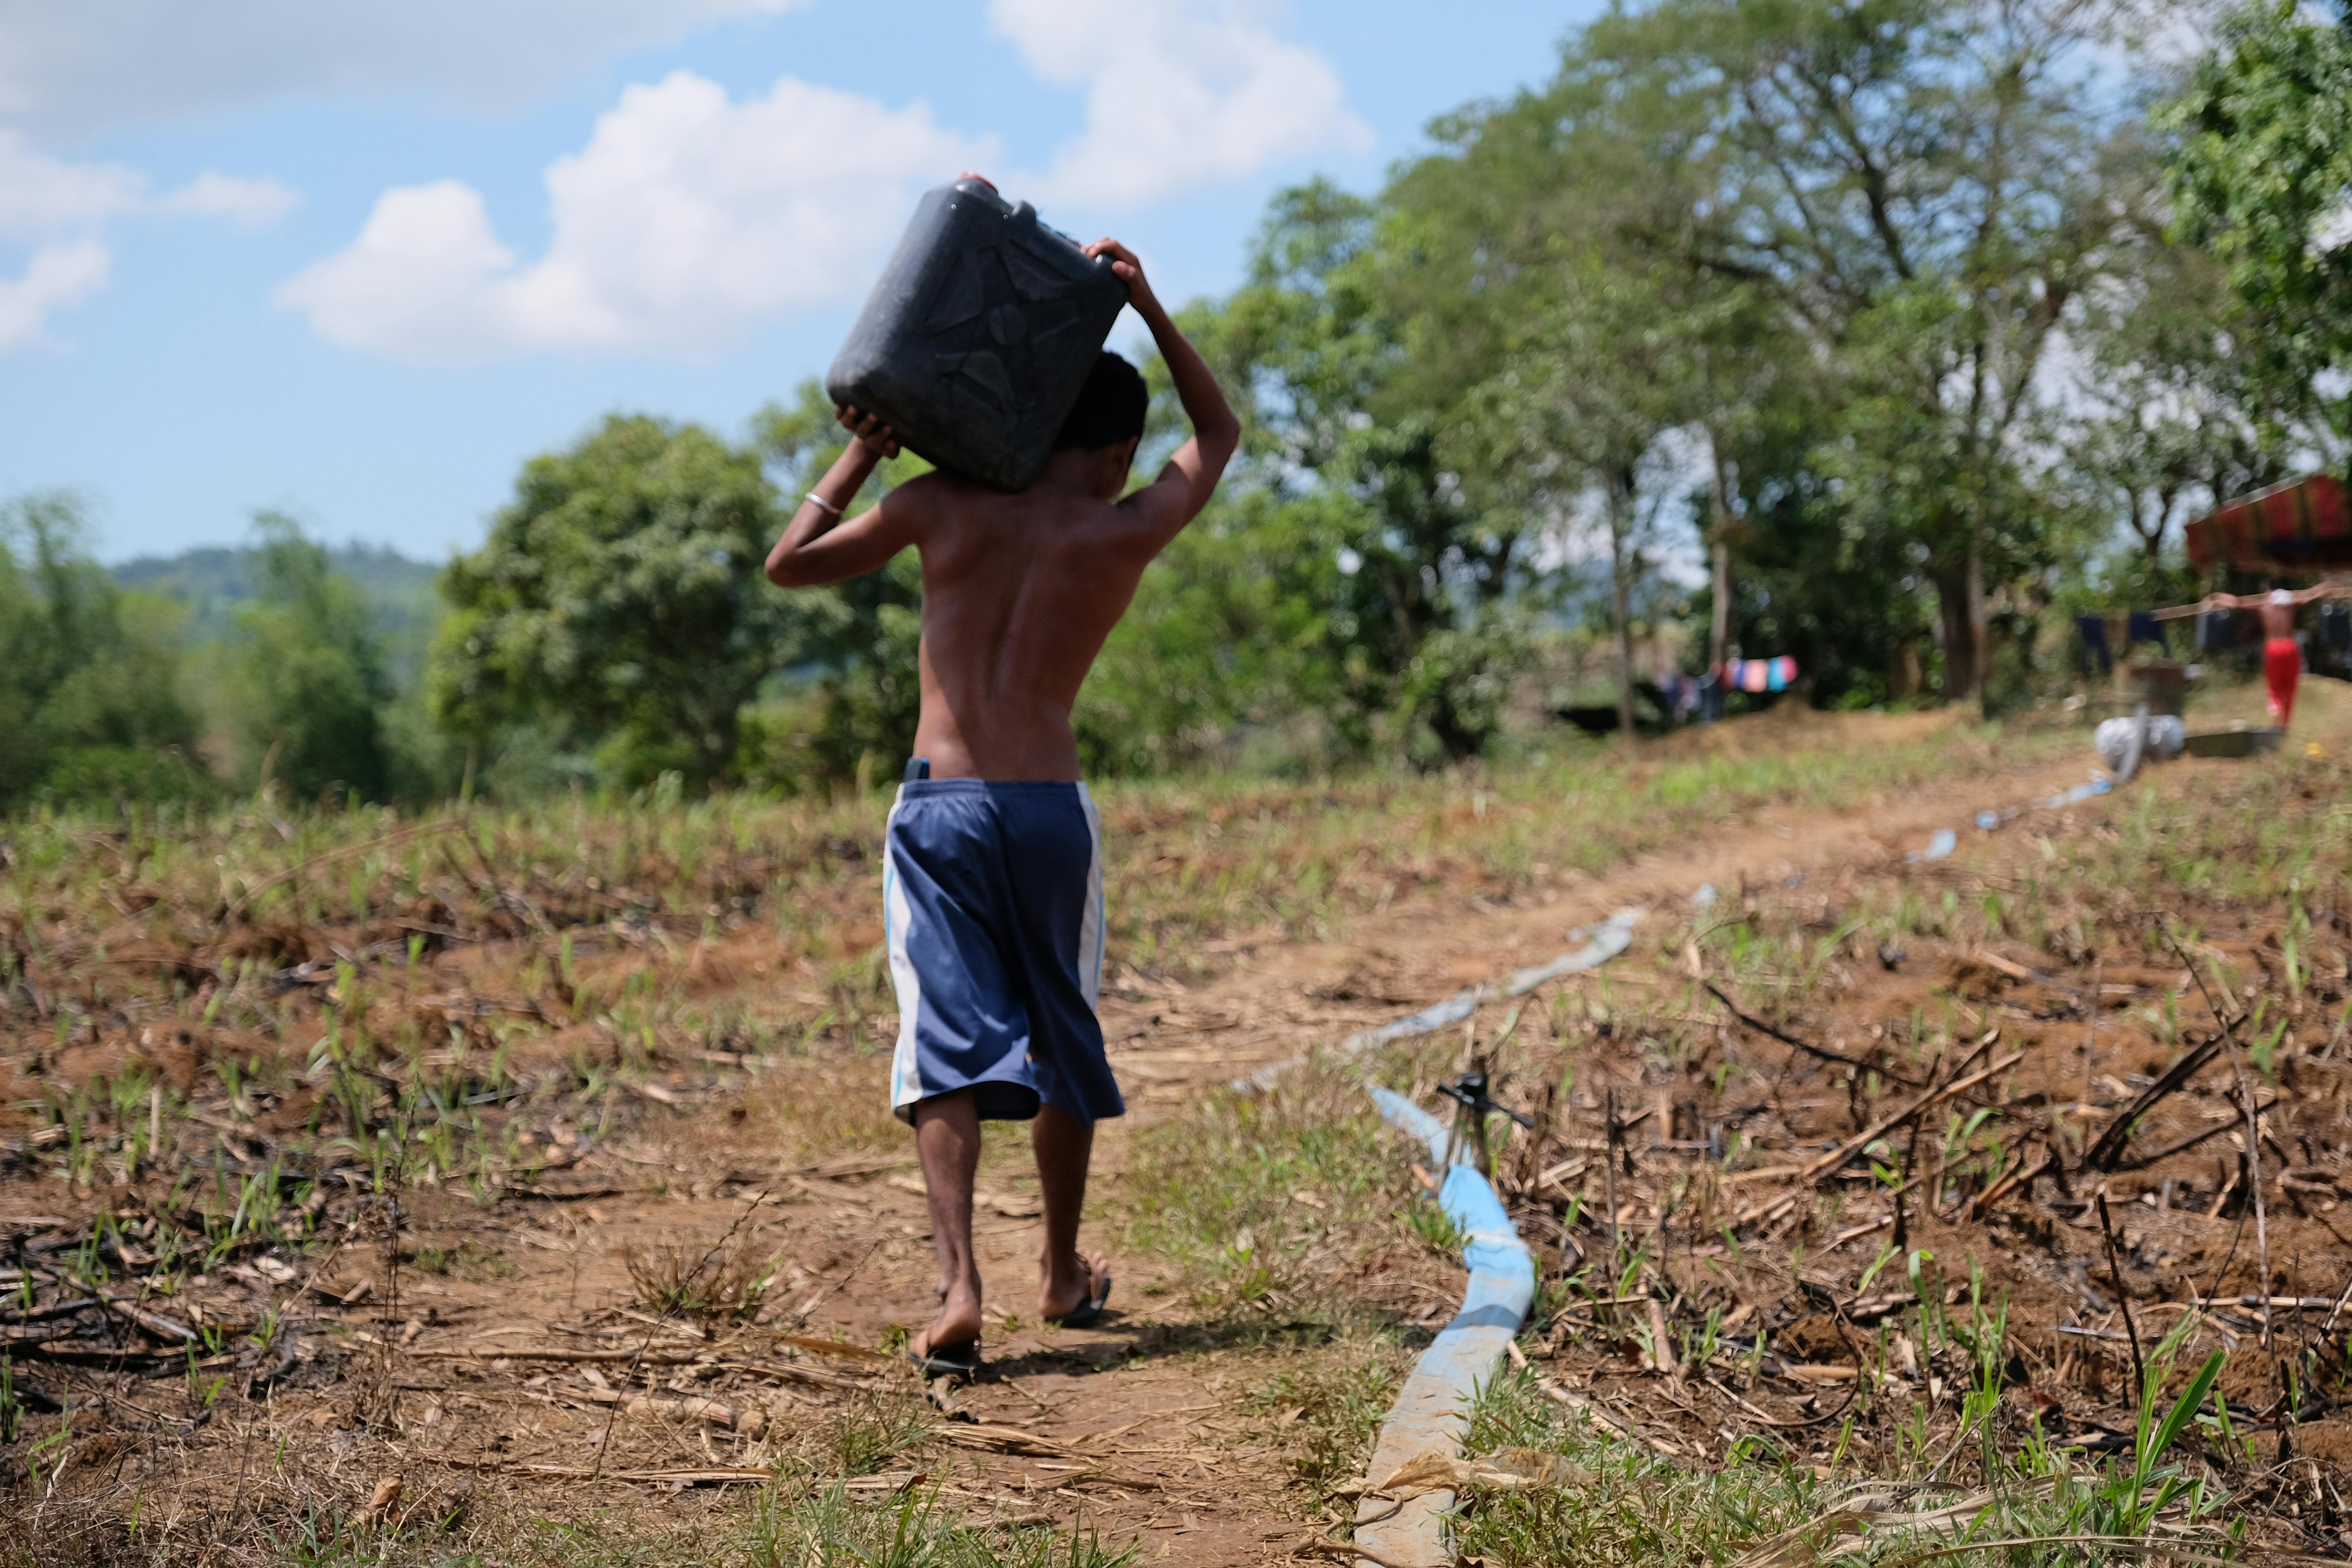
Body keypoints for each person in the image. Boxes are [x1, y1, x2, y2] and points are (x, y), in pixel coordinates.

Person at [764, 230, 1240, 1377]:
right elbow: (1218, 433)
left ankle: (958, 1283)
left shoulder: (942, 504)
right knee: (1060, 1031)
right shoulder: (1120, 528)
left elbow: (791, 563)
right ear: (1118, 445)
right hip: (1045, 810)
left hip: (936, 811)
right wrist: (1147, 307)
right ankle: (1061, 1269)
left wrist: (859, 460)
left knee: (942, 1045)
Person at [2201, 580, 2341, 727]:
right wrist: (2327, 587)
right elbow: (2311, 594)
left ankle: (2276, 708)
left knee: (2275, 686)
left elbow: (2237, 603)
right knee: (2290, 686)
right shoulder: (2291, 603)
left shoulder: (2264, 605)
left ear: (2268, 590)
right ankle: (2283, 721)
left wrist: (2217, 597)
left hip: (2273, 647)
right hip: (2290, 647)